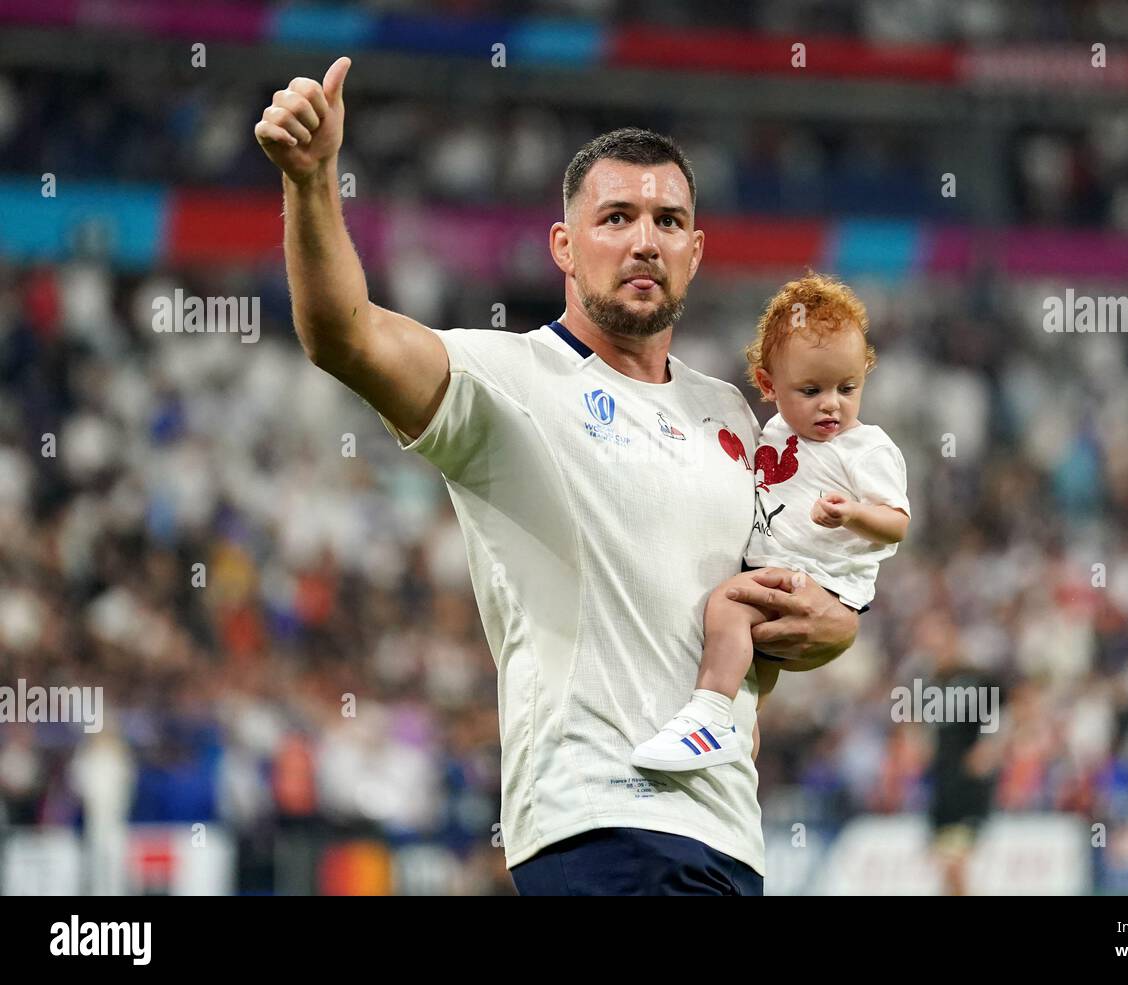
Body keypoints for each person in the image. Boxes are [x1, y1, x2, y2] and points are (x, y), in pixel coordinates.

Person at [254, 57, 861, 896]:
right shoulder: (510, 379)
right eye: (616, 217)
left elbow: (771, 608)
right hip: (599, 824)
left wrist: (833, 629)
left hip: (726, 836)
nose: (645, 238)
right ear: (565, 249)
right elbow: (343, 334)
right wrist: (315, 181)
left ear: (695, 250)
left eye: (667, 219)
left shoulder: (730, 413)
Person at [632, 273, 910, 771]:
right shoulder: (775, 431)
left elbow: (896, 522)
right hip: (785, 569)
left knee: (731, 604)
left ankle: (710, 716)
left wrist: (853, 514)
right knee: (757, 668)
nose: (832, 403)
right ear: (768, 385)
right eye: (811, 389)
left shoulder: (865, 447)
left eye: (848, 388)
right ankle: (741, 734)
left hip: (821, 584)